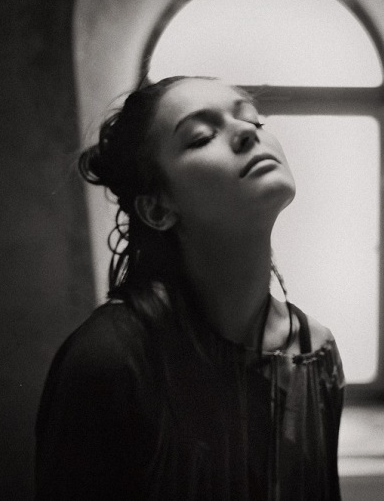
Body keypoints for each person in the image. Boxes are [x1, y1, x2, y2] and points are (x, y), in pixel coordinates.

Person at [35, 76, 344, 500]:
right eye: (201, 137)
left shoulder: (315, 352)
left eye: (254, 119)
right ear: (158, 208)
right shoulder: (109, 360)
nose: (246, 132)